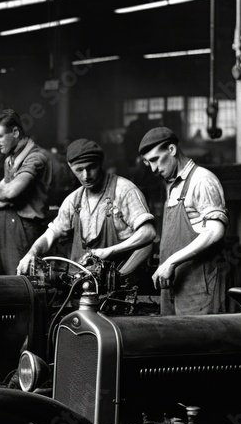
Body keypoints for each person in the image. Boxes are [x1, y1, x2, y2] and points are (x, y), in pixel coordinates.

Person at [17, 138, 156, 278]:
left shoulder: (124, 190)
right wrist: (32, 253)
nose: (86, 176)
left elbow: (148, 232)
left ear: (100, 163)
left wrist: (110, 251)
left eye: (91, 168)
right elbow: (51, 235)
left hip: (121, 282)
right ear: (70, 166)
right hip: (83, 284)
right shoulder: (74, 200)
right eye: (79, 170)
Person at [139, 127, 228, 315]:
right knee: (173, 341)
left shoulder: (201, 180)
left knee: (199, 341)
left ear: (171, 150)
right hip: (172, 283)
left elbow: (215, 230)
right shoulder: (172, 184)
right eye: (148, 163)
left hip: (197, 286)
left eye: (155, 160)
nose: (154, 169)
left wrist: (171, 262)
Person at [0, 109, 52, 274]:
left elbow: (10, 193)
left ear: (15, 132)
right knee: (7, 286)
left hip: (24, 229)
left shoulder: (35, 157)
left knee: (24, 284)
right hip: (7, 226)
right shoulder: (10, 159)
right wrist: (0, 192)